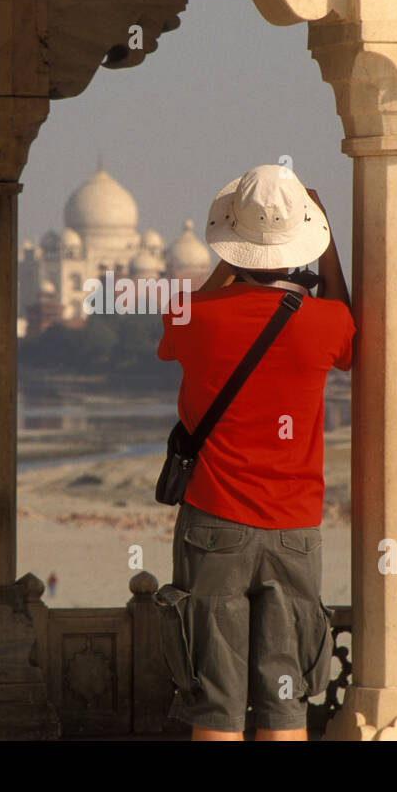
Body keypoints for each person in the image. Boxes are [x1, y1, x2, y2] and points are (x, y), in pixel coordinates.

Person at [154, 164, 355, 741]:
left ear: (231, 243)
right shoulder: (324, 323)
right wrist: (328, 241)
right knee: (285, 700)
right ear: (304, 241)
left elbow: (180, 324)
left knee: (214, 703)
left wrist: (234, 257)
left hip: (214, 523)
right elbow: (348, 327)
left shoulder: (195, 317)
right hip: (295, 527)